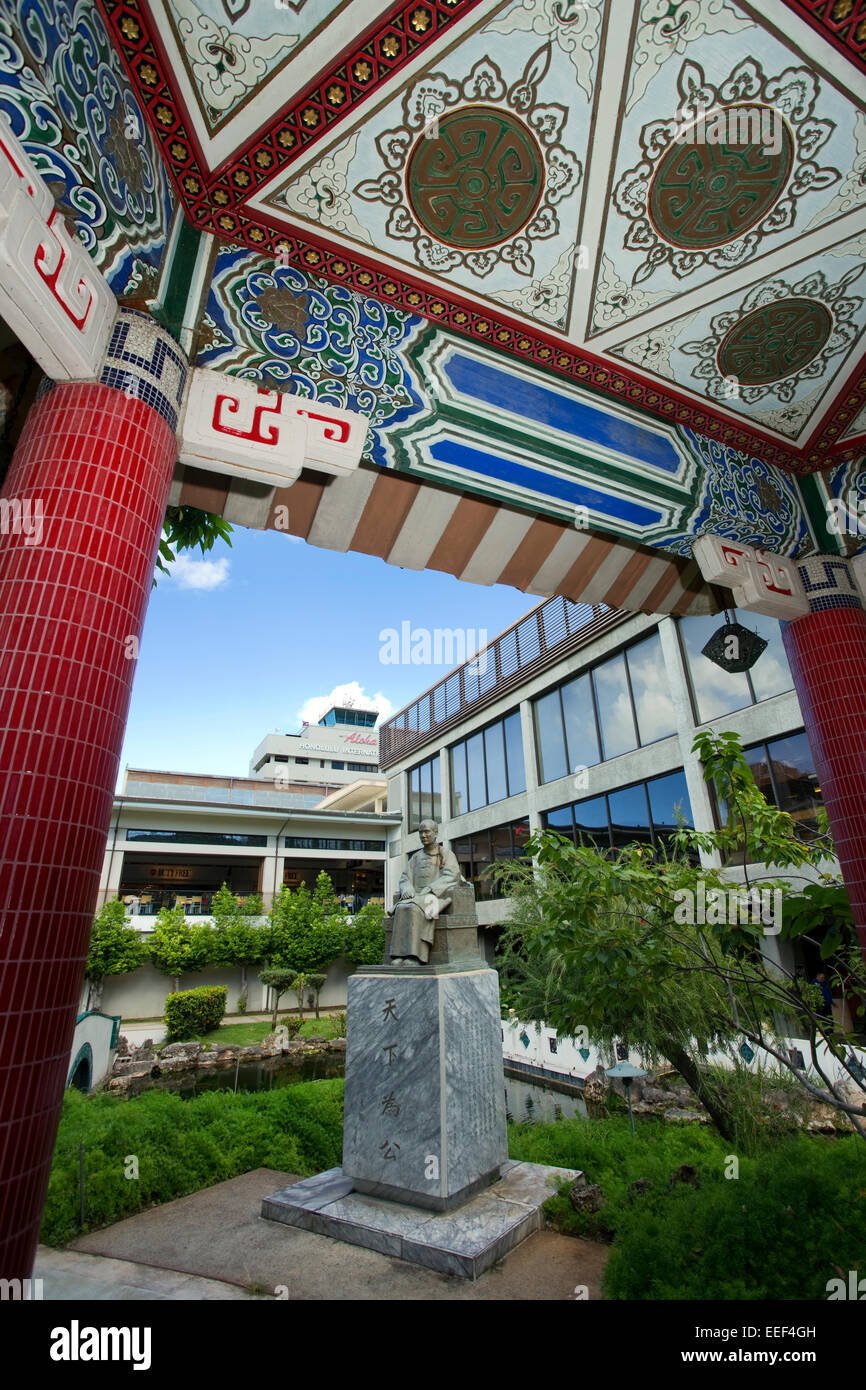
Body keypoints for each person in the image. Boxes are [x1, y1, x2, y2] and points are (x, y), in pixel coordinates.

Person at [390, 819, 460, 965]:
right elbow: (405, 877)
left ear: (435, 833)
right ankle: (399, 954)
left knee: (414, 909)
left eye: (426, 831)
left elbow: (452, 875)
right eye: (420, 832)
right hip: (415, 896)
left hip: (436, 897)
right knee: (403, 907)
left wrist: (431, 888)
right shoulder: (415, 857)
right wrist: (407, 888)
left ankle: (416, 956)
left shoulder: (446, 854)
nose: (423, 835)